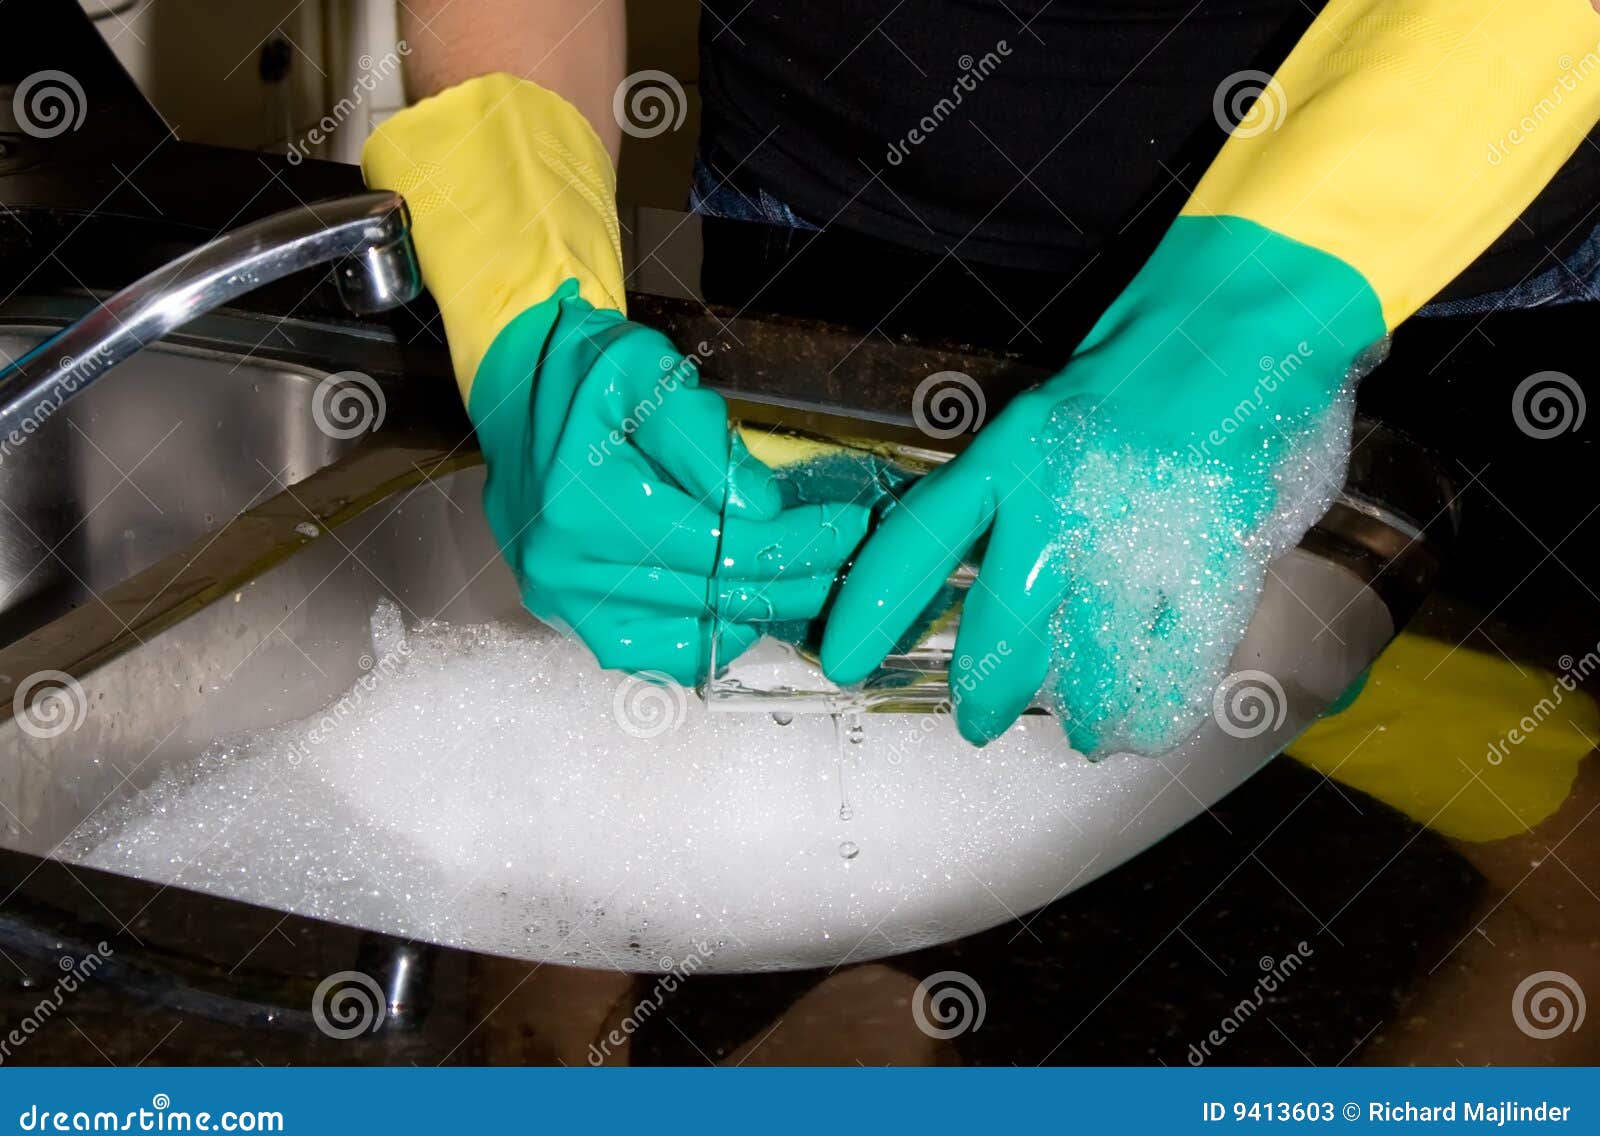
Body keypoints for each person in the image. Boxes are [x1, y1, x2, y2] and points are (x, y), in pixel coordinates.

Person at [364, 0, 1600, 759]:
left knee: (1512, 856)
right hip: (829, 232)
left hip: (1442, 254)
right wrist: (529, 293)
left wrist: (1251, 309)